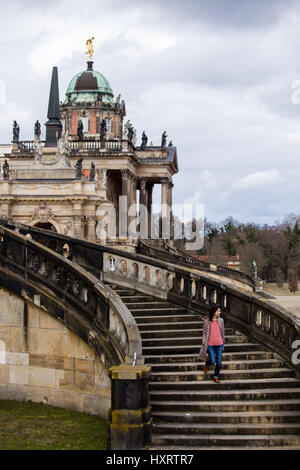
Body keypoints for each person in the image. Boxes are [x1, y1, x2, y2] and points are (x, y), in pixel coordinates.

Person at [198, 306, 225, 383]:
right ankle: (207, 364)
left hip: (219, 344)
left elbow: (223, 333)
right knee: (213, 361)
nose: (220, 313)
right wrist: (204, 343)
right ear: (214, 312)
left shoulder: (221, 320)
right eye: (218, 311)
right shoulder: (207, 321)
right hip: (210, 345)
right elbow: (204, 333)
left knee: (219, 363)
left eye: (220, 311)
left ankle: (216, 376)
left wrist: (223, 344)